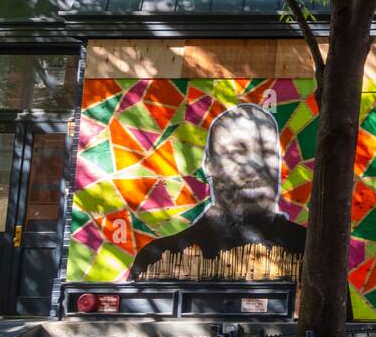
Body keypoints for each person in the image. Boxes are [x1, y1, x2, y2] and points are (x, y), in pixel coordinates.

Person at [129, 102, 307, 280]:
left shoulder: (312, 251)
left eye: (266, 152)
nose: (255, 165)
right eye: (239, 152)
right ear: (209, 166)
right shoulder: (158, 259)